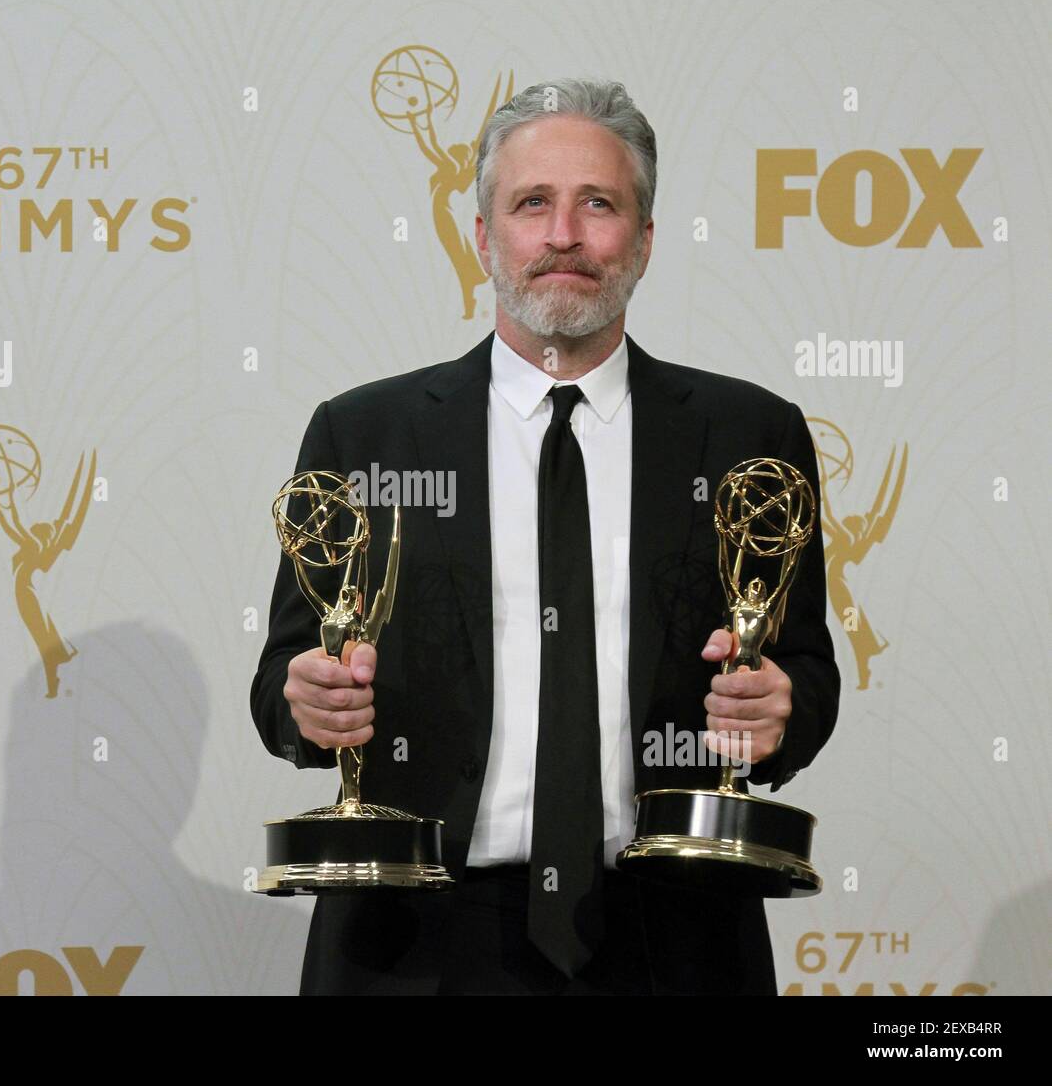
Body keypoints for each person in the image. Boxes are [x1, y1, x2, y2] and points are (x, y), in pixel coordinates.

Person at [250, 78, 840, 994]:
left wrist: (778, 711)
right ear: (484, 237)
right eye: (532, 203)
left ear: (643, 241)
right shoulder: (367, 435)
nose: (564, 234)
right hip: (416, 942)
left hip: (672, 942)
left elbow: (806, 674)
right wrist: (306, 704)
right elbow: (284, 680)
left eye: (598, 204)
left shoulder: (746, 435)